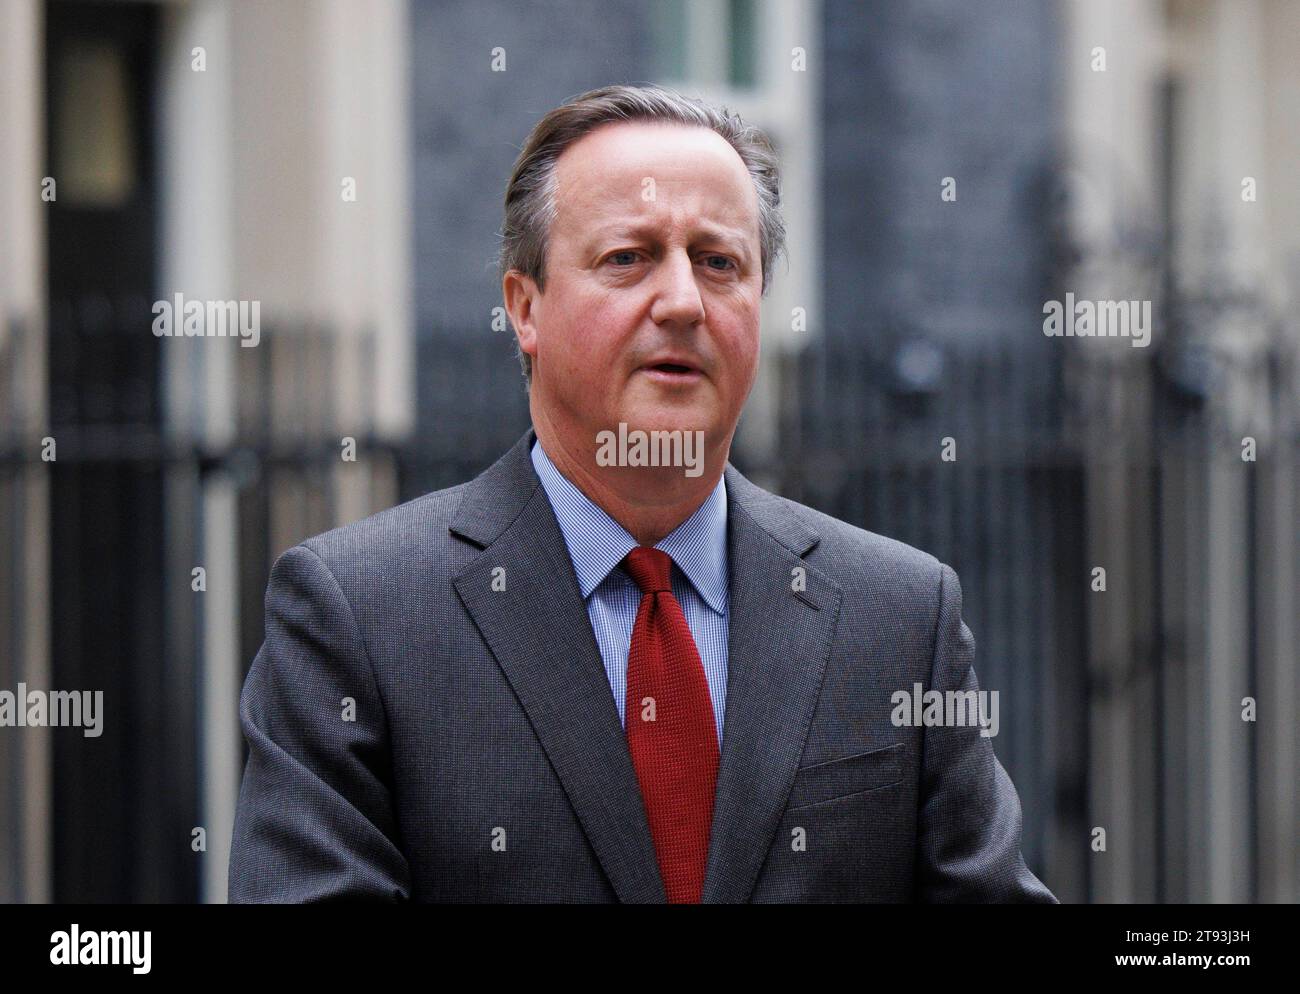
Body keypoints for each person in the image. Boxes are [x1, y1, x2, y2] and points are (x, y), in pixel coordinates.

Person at [228, 83, 1057, 904]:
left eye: (719, 262)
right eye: (628, 258)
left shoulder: (901, 617)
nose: (683, 302)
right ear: (526, 307)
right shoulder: (358, 617)